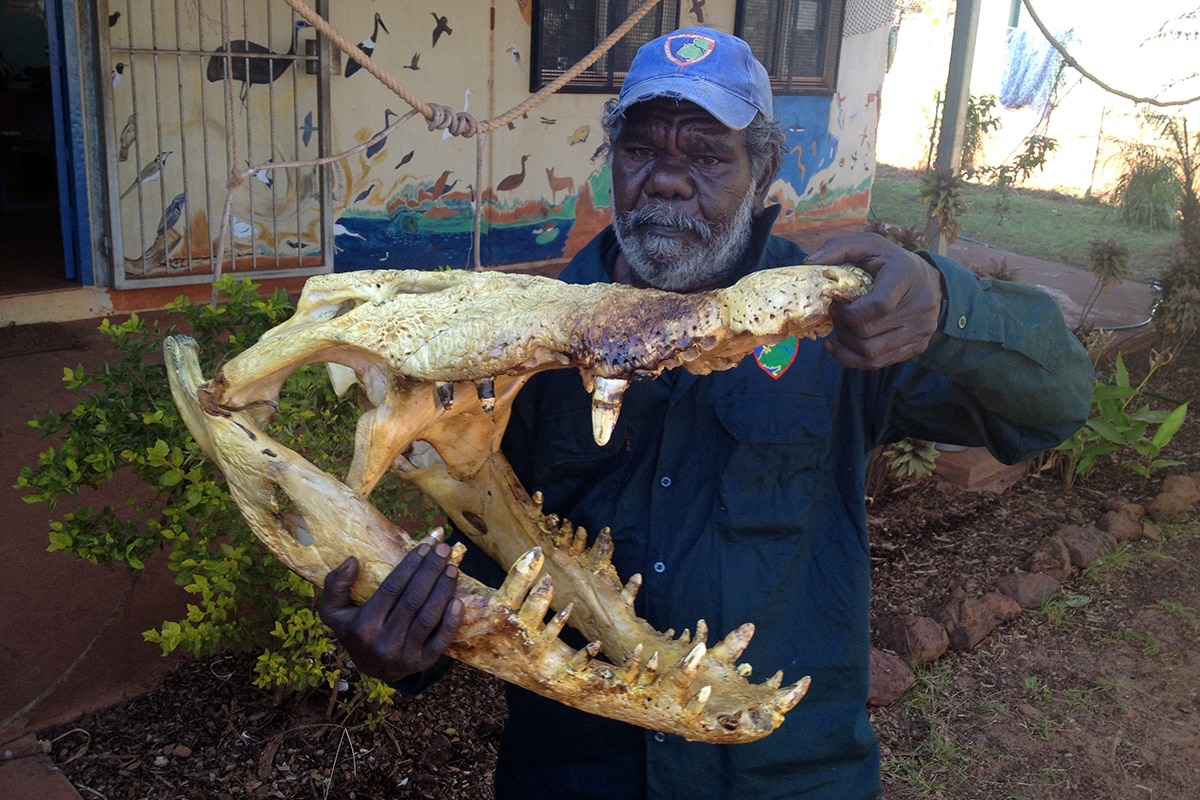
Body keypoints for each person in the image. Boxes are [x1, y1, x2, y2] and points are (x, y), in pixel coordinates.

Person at [319, 27, 1093, 799]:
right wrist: (405, 644)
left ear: (763, 176)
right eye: (641, 150)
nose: (665, 180)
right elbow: (491, 550)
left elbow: (1051, 407)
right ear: (613, 167)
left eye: (707, 154)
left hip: (784, 776)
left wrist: (947, 302)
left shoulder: (835, 320)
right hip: (577, 778)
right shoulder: (522, 343)